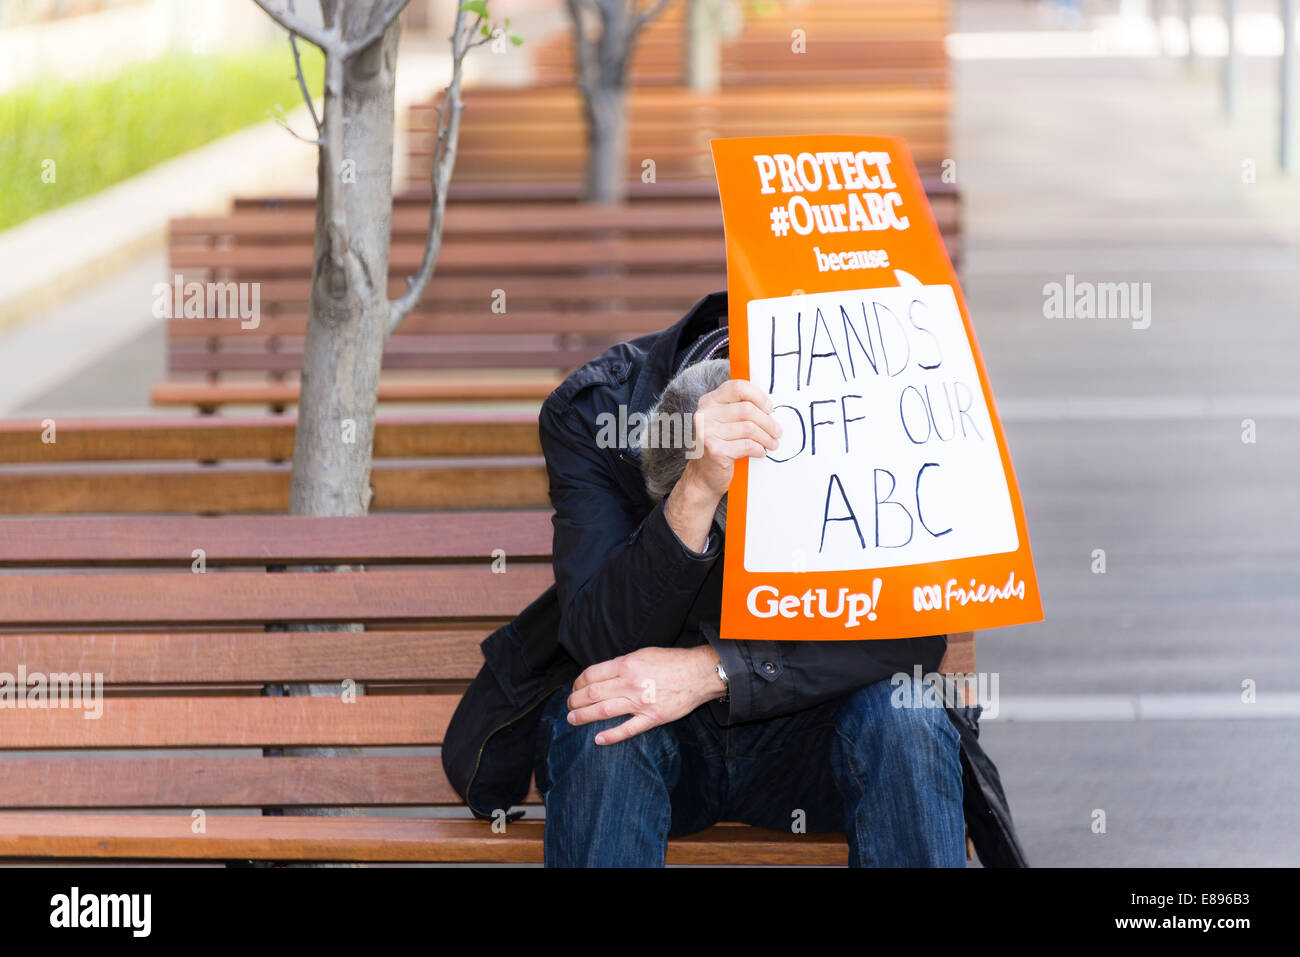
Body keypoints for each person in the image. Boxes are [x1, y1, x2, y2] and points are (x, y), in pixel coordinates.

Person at [533, 292, 967, 867]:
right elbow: (599, 644)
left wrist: (713, 671)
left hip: (817, 732)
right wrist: (695, 487)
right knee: (604, 717)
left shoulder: (882, 387)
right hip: (666, 742)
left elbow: (912, 636)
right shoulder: (594, 411)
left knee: (907, 715)